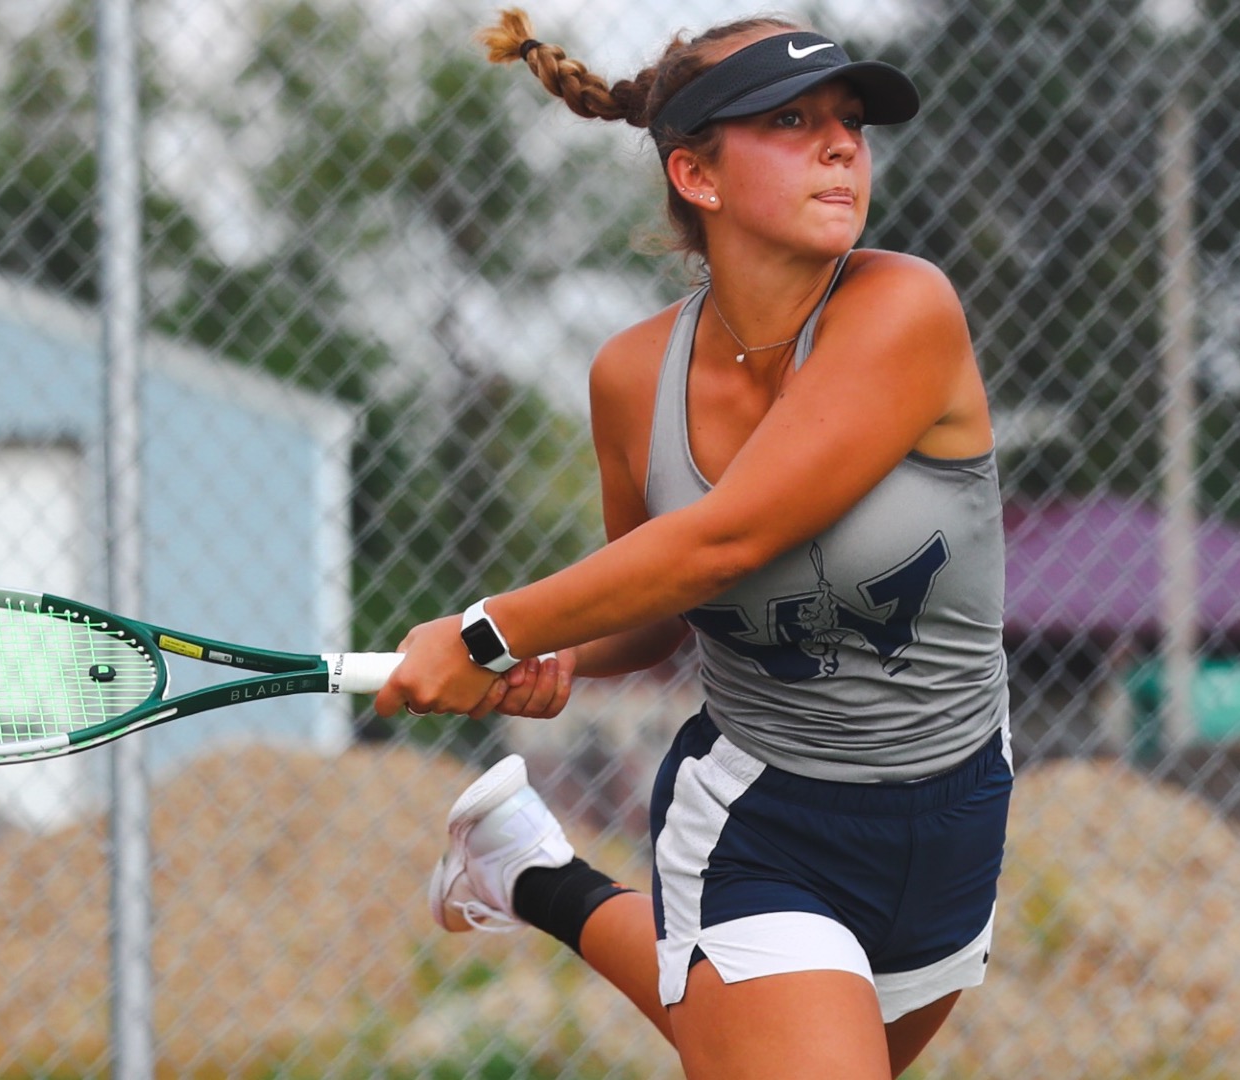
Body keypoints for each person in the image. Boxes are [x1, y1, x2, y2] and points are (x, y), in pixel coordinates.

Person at [373, 8, 1012, 1078]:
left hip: (953, 813)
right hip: (765, 817)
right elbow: (663, 603)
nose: (843, 143)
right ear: (698, 177)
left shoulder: (906, 307)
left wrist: (488, 632)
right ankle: (537, 875)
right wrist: (563, 652)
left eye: (850, 120)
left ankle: (530, 874)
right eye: (793, 118)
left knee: (749, 1038)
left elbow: (730, 536)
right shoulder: (633, 379)